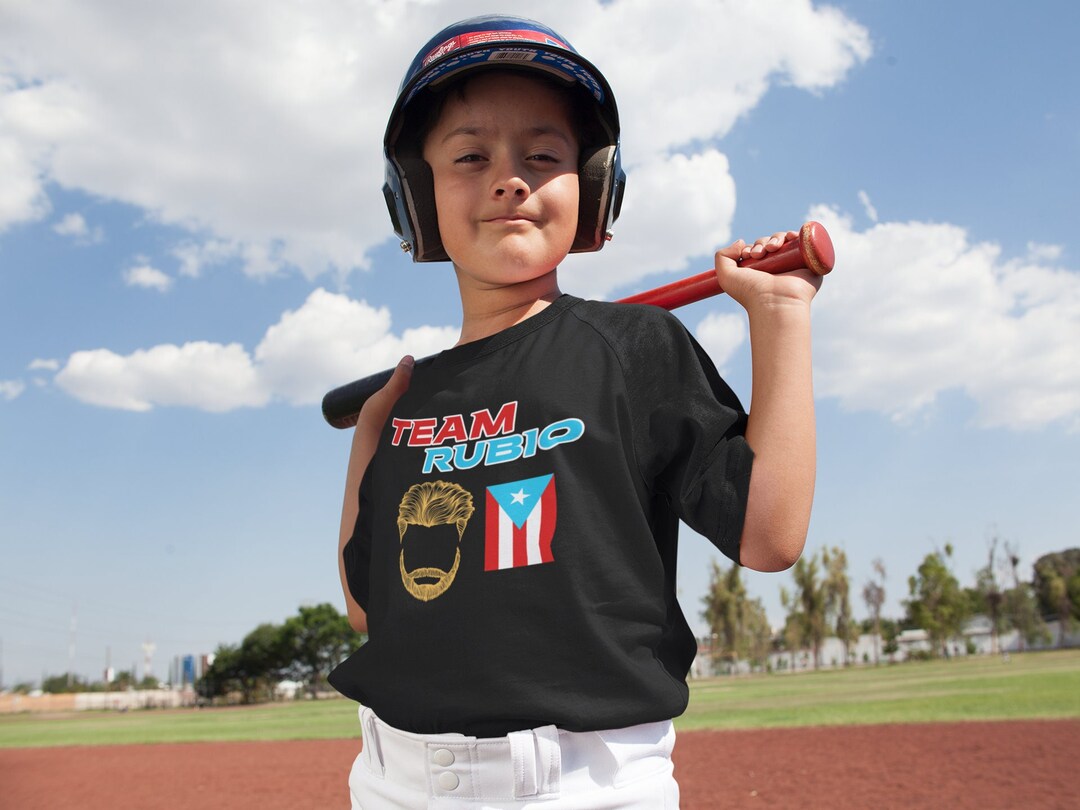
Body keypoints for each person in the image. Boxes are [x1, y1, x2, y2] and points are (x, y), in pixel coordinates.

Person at [329, 14, 820, 809]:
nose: (509, 177)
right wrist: (371, 440)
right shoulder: (411, 400)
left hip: (580, 785)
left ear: (592, 186)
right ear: (414, 195)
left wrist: (780, 315)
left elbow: (768, 537)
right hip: (393, 780)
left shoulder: (633, 347)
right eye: (469, 156)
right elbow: (365, 608)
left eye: (544, 155)